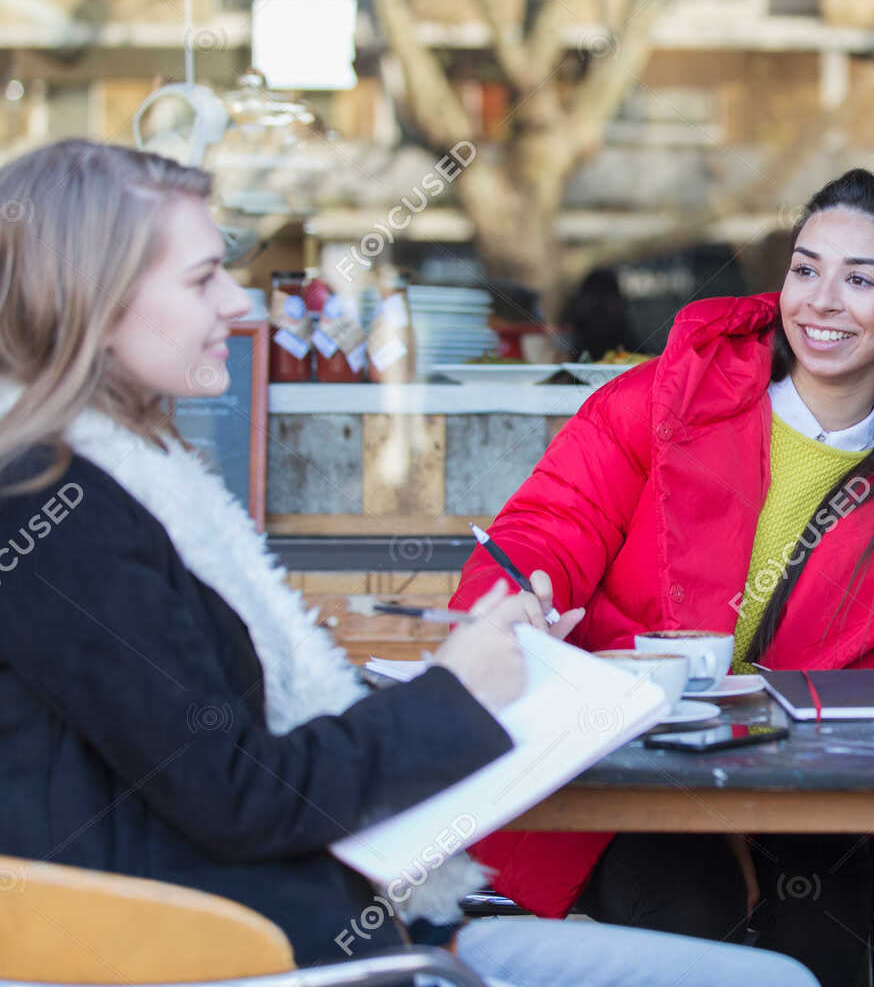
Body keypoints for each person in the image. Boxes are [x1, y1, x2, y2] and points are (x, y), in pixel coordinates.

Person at [0, 140, 817, 987]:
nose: (238, 303)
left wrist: (506, 671)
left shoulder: (118, 483)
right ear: (93, 299)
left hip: (333, 919)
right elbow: (240, 795)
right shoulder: (52, 508)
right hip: (248, 951)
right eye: (204, 277)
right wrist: (457, 693)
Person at [448, 169, 874, 985]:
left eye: (859, 279)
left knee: (826, 917)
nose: (821, 300)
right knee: (691, 912)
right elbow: (548, 528)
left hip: (797, 788)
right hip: (625, 767)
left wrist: (754, 813)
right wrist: (521, 605)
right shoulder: (666, 396)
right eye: (805, 268)